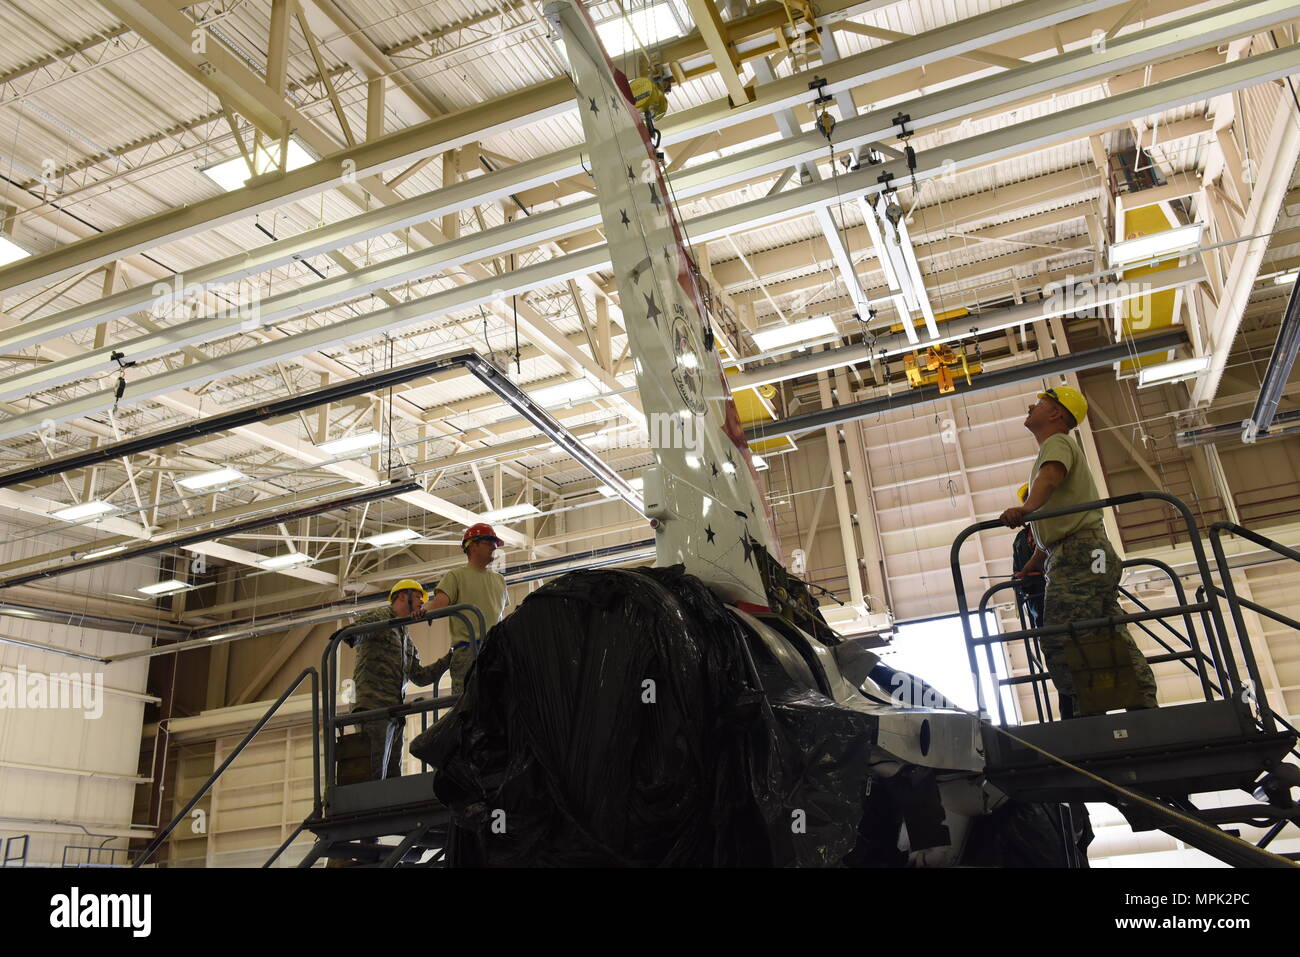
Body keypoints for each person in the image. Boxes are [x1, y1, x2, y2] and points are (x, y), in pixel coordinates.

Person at [998, 386, 1157, 718]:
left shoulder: (1056, 444)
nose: (1031, 406)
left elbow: (1052, 477)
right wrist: (1029, 567)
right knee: (1108, 627)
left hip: (1077, 554)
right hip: (1093, 552)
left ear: (1056, 414)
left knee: (1060, 637)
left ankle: (1086, 712)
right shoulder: (1063, 446)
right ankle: (1142, 702)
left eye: (1040, 403)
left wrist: (1025, 509)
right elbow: (1053, 533)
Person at [349, 579, 450, 780]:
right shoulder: (381, 617)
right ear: (403, 596)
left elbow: (419, 677)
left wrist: (449, 659)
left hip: (393, 714)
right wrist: (351, 637)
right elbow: (355, 633)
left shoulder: (407, 640)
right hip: (373, 709)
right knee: (374, 774)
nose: (423, 602)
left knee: (392, 776)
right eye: (419, 597)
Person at [424, 523, 509, 694]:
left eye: (495, 543)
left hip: (495, 651)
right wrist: (423, 611)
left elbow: (499, 616)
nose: (494, 547)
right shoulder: (455, 576)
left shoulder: (500, 581)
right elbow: (439, 603)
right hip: (468, 652)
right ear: (473, 545)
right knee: (467, 705)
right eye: (489, 542)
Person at [1010, 483, 1046, 633]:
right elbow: (1016, 572)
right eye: (1026, 500)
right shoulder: (1020, 539)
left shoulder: (1059, 523)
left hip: (1067, 589)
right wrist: (1018, 581)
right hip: (1038, 598)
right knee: (1049, 637)